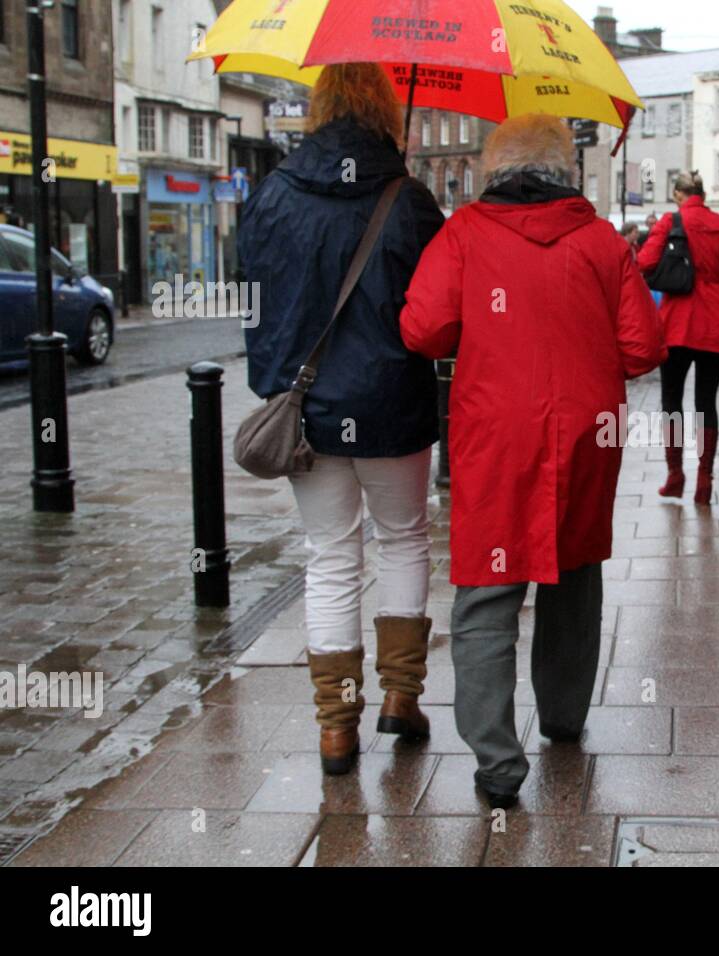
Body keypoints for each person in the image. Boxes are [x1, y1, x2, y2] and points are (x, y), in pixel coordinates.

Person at [400, 114, 666, 808]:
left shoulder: (462, 235)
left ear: (493, 171)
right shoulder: (602, 242)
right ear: (564, 170)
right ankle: (564, 718)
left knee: (488, 590)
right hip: (587, 431)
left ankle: (495, 759)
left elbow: (424, 329)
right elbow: (642, 348)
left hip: (495, 435)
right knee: (573, 574)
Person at [239, 64, 444, 776]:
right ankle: (401, 697)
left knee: (329, 558)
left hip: (310, 414)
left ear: (319, 105)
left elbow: (257, 312)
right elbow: (435, 315)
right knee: (403, 541)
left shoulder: (270, 195)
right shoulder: (410, 200)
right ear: (387, 110)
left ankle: (334, 727)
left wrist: (276, 386)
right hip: (392, 406)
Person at [638, 171, 719, 504]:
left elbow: (644, 262)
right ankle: (705, 478)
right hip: (716, 321)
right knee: (706, 402)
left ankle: (674, 475)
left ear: (679, 194)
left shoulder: (671, 220)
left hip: (678, 322)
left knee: (671, 400)